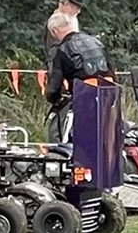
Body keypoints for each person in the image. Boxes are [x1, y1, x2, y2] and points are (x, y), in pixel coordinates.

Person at [44, 10, 113, 141]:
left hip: (85, 97)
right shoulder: (96, 42)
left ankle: (61, 153)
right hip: (108, 95)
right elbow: (110, 70)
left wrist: (54, 99)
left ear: (54, 31)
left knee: (59, 130)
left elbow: (54, 85)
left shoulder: (62, 49)